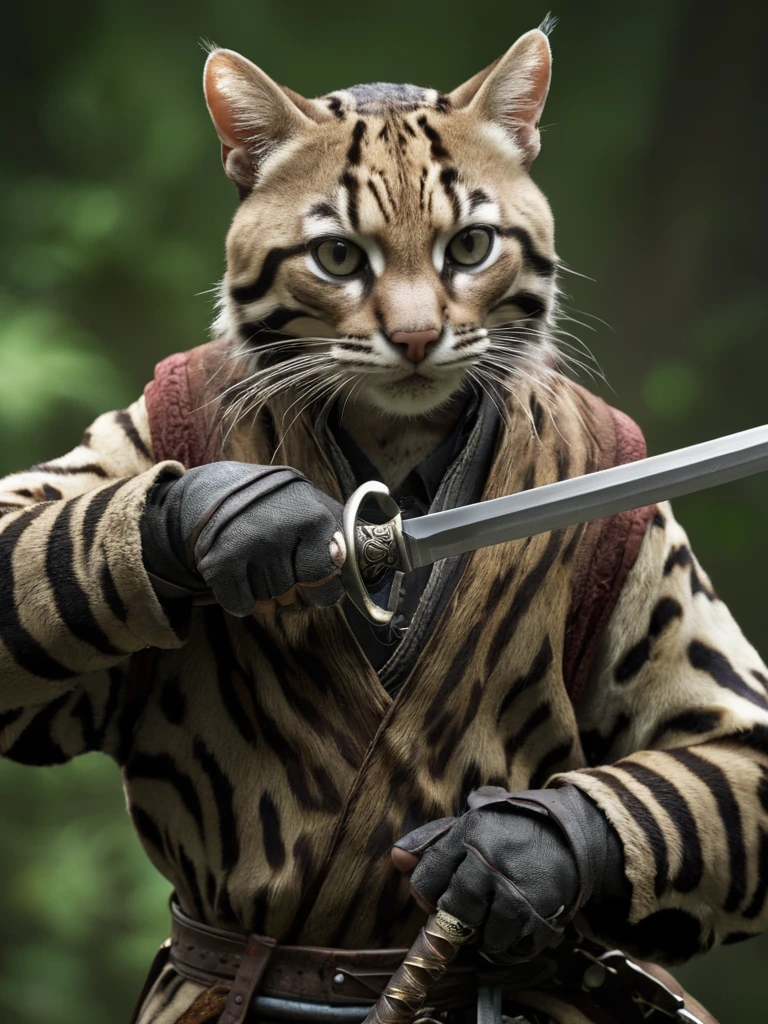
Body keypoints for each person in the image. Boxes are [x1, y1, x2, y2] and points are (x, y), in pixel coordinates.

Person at [1, 24, 764, 1024]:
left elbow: (754, 778)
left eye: (467, 248)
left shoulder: (587, 463)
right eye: (338, 256)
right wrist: (155, 533)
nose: (414, 321)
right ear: (246, 173)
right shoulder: (186, 425)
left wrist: (588, 834)